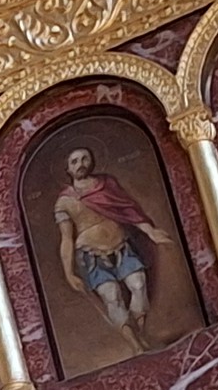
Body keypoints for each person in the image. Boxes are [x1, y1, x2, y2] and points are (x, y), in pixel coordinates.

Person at [54, 146, 172, 351]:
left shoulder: (106, 185)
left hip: (121, 246)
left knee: (138, 284)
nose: (80, 164)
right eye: (74, 161)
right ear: (67, 169)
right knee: (112, 297)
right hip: (92, 256)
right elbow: (66, 239)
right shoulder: (64, 202)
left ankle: (141, 331)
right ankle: (136, 345)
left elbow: (128, 211)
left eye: (84, 159)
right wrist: (69, 273)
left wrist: (150, 231)